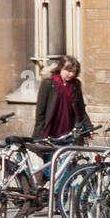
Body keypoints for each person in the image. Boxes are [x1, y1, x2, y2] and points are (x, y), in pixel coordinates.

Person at [32, 56, 89, 187]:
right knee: (50, 170)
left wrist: (87, 127)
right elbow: (40, 111)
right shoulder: (48, 84)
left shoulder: (75, 85)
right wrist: (38, 136)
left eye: (73, 71)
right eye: (68, 70)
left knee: (65, 173)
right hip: (50, 134)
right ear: (60, 68)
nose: (70, 74)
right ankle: (48, 199)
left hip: (68, 133)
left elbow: (80, 108)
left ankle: (59, 205)